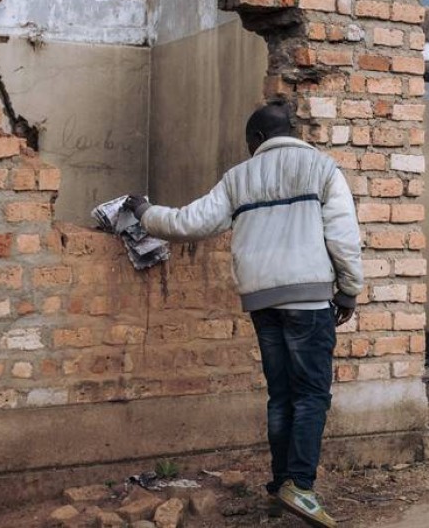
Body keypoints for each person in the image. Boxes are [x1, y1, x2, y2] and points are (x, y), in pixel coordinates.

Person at [123, 102, 362, 527]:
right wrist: (349, 290)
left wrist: (144, 212)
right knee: (311, 395)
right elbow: (343, 236)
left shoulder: (238, 177)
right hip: (308, 301)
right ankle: (300, 487)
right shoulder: (323, 168)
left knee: (281, 395)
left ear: (257, 139)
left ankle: (281, 487)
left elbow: (190, 222)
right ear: (292, 132)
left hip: (262, 301)